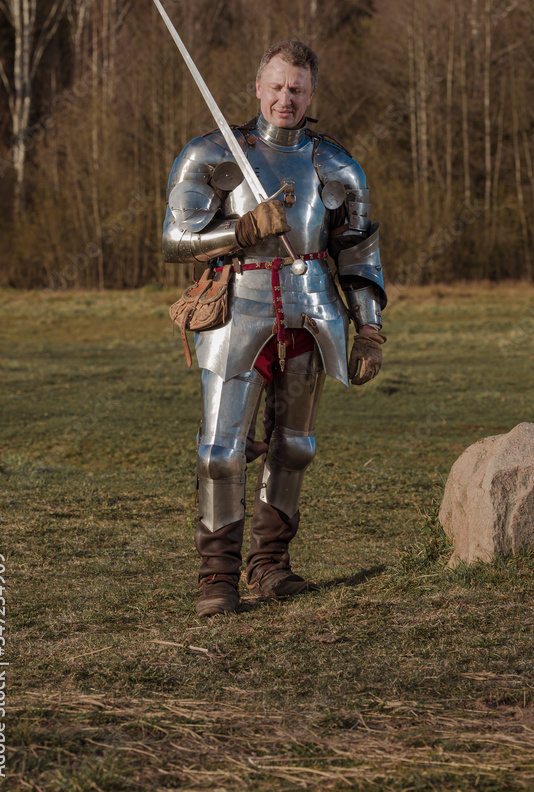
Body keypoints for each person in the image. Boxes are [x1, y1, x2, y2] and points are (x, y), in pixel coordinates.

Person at [162, 40, 387, 616]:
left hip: (312, 314)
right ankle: (218, 578)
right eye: (278, 87)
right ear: (259, 88)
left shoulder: (337, 165)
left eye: (298, 89)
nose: (286, 98)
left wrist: (370, 329)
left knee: (294, 447)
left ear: (311, 94)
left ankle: (270, 566)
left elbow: (358, 253)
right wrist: (239, 232)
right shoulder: (212, 153)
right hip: (238, 309)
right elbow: (175, 240)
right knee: (220, 452)